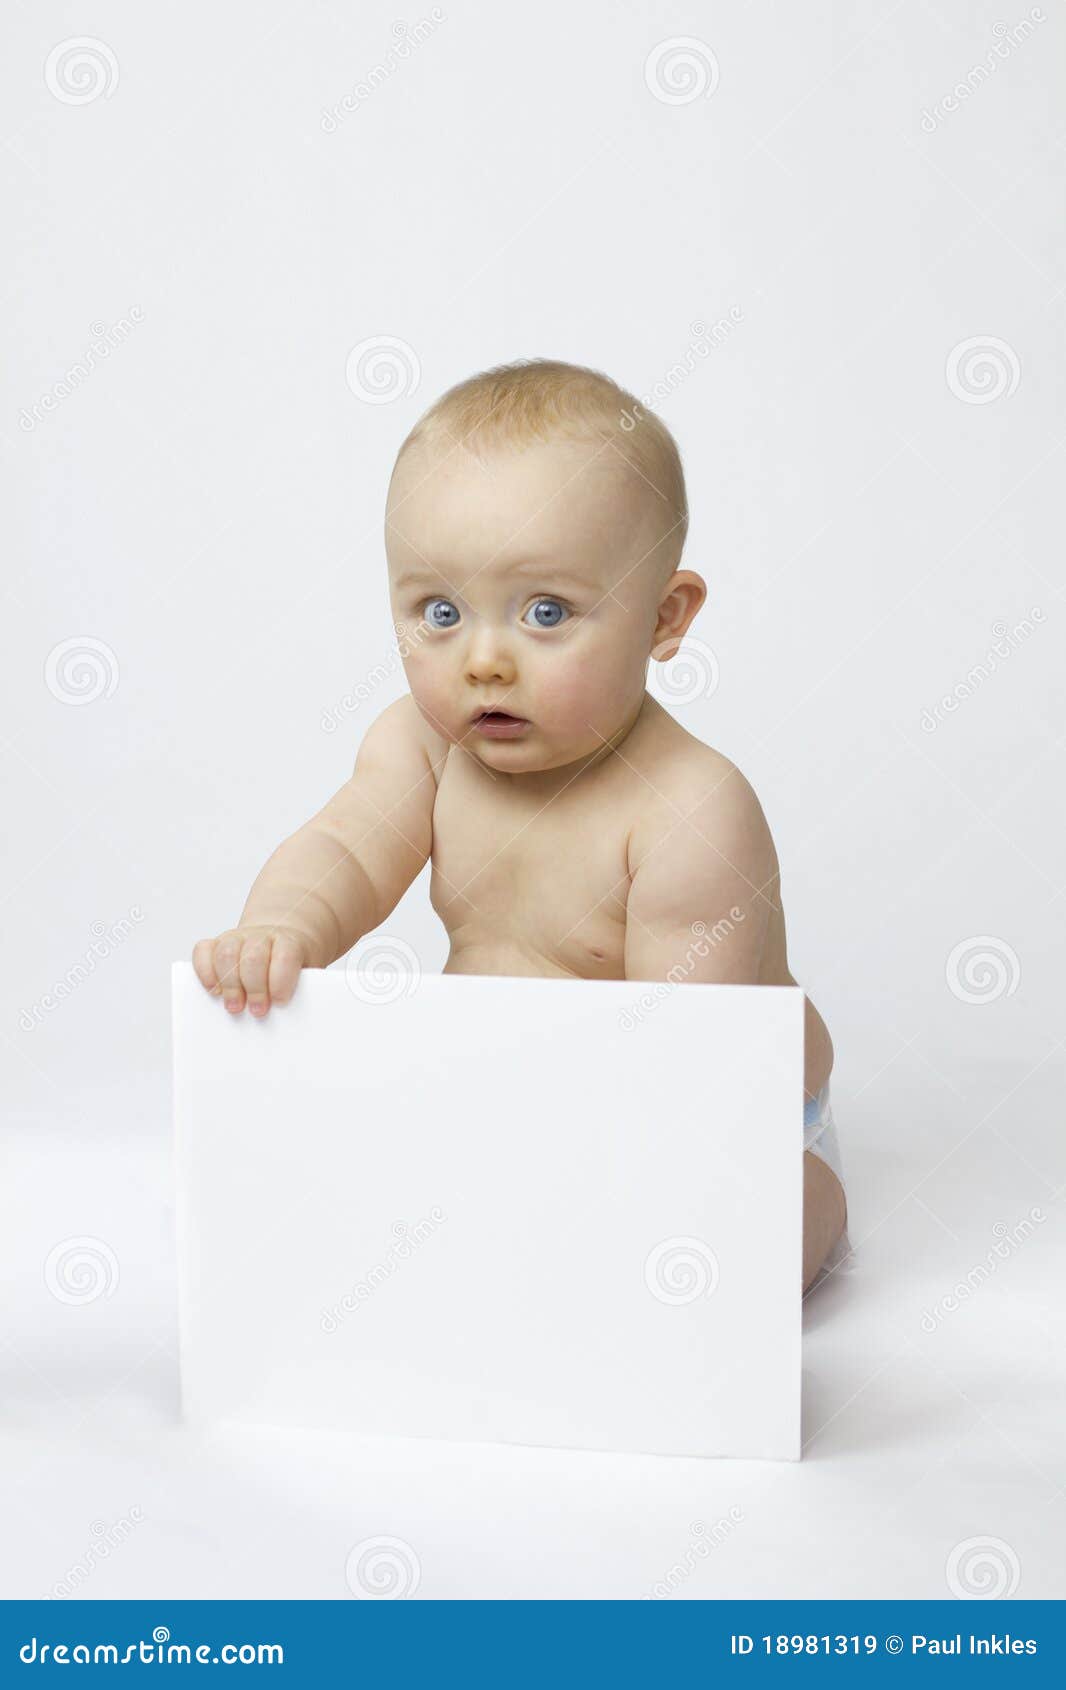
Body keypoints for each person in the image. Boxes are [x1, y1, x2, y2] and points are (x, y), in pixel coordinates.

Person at [192, 358, 850, 1290]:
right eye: (441, 612)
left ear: (665, 617)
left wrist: (592, 1171)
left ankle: (813, 1204)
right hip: (512, 1090)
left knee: (749, 1237)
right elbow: (345, 845)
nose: (485, 661)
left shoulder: (690, 809)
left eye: (546, 613)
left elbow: (686, 1045)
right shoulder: (423, 746)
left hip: (712, 1103)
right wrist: (284, 925)